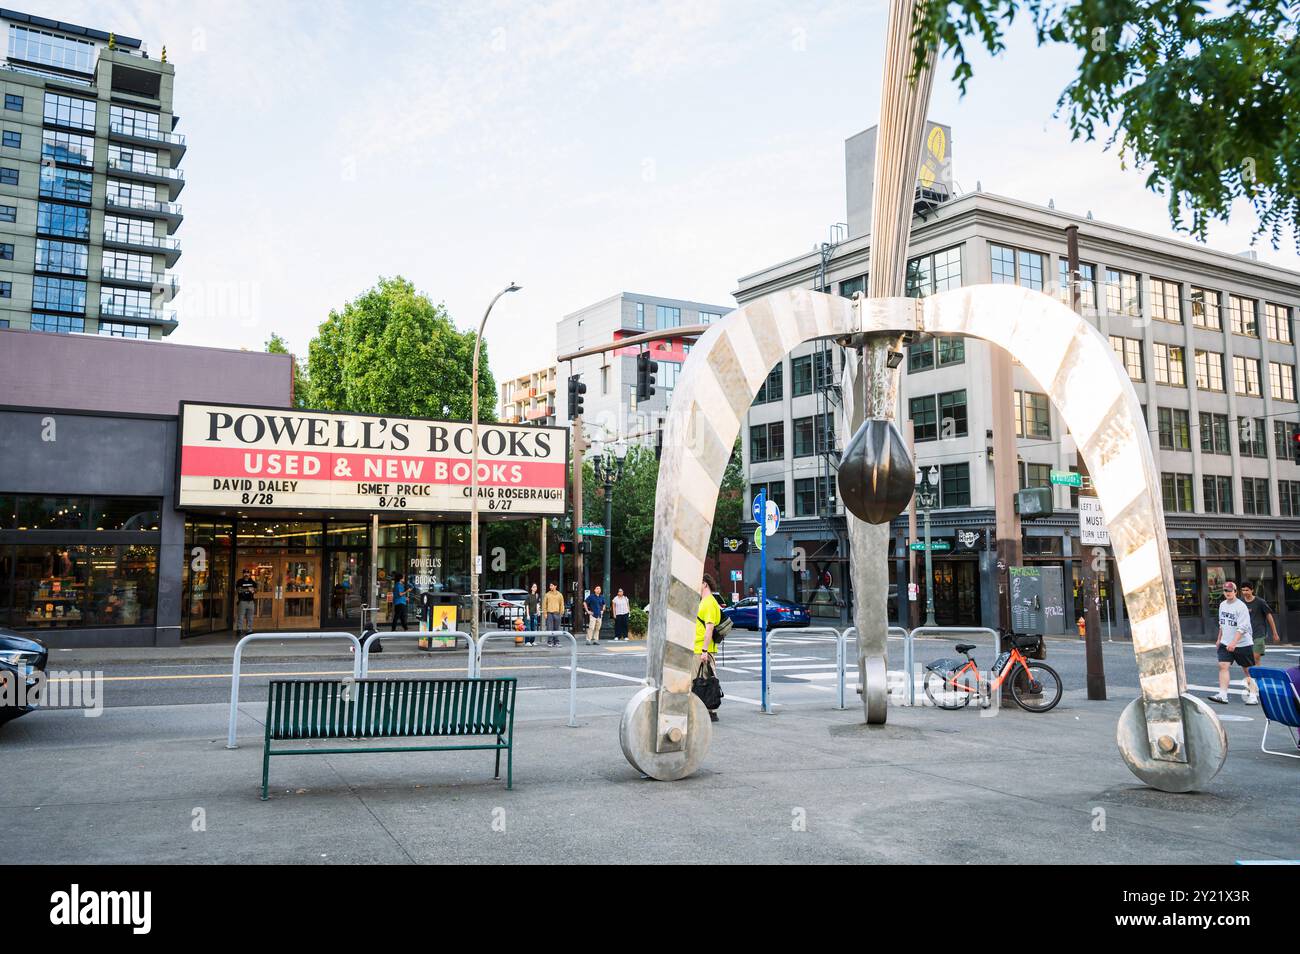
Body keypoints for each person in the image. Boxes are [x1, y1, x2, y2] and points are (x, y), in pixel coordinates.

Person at [1208, 580, 1253, 705]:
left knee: (1248, 670)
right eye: (1225, 591)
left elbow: (1243, 628)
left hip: (1243, 643)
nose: (1227, 593)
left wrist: (1234, 642)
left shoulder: (1241, 606)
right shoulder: (1222, 605)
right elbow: (1222, 623)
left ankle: (1253, 694)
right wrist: (1219, 639)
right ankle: (1223, 695)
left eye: (1230, 590)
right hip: (1225, 642)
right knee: (1223, 666)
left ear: (1235, 592)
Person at [1239, 582, 1281, 705]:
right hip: (1244, 635)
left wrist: (1275, 633)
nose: (1245, 592)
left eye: (1247, 590)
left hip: (1258, 634)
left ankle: (1254, 684)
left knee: (1255, 659)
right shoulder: (1240, 602)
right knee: (1247, 663)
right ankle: (1253, 684)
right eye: (1243, 590)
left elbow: (1269, 616)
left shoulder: (1260, 602)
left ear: (1252, 590)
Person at [696, 574, 723, 722]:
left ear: (705, 584)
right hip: (700, 648)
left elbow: (709, 628)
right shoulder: (705, 602)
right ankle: (706, 709)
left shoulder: (709, 603)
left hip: (703, 649)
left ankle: (711, 711)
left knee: (708, 679)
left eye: (698, 582)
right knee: (702, 679)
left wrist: (704, 651)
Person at [235, 568, 257, 636]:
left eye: (247, 573)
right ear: (243, 574)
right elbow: (238, 590)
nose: (246, 574)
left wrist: (253, 590)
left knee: (250, 617)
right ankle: (239, 630)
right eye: (245, 573)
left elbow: (255, 590)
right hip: (242, 601)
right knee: (241, 616)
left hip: (250, 602)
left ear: (249, 574)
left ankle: (249, 630)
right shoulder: (240, 581)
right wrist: (248, 589)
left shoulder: (252, 581)